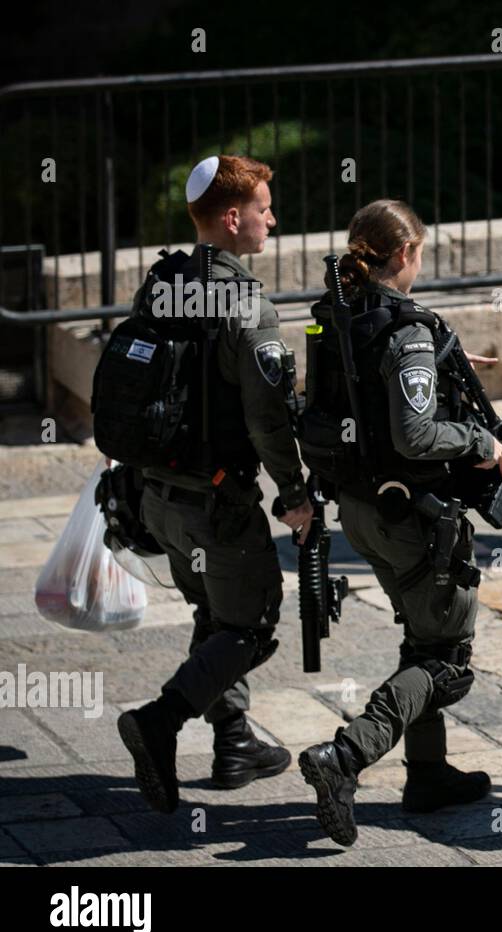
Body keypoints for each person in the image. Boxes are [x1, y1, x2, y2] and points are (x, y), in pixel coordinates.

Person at [296, 199, 502, 847]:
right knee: (446, 660)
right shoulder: (408, 329)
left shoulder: (332, 316)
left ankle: (429, 774)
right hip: (411, 513)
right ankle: (346, 757)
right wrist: (478, 442)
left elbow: (336, 399)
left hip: (359, 506)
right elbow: (415, 434)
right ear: (406, 254)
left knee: (422, 638)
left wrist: (445, 373)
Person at [112, 155, 313, 812]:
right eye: (263, 208)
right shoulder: (248, 302)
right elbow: (266, 415)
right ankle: (159, 721)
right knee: (251, 623)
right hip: (216, 501)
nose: (272, 220)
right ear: (233, 218)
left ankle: (234, 740)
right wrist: (294, 493)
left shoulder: (160, 284)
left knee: (214, 614)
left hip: (157, 495)